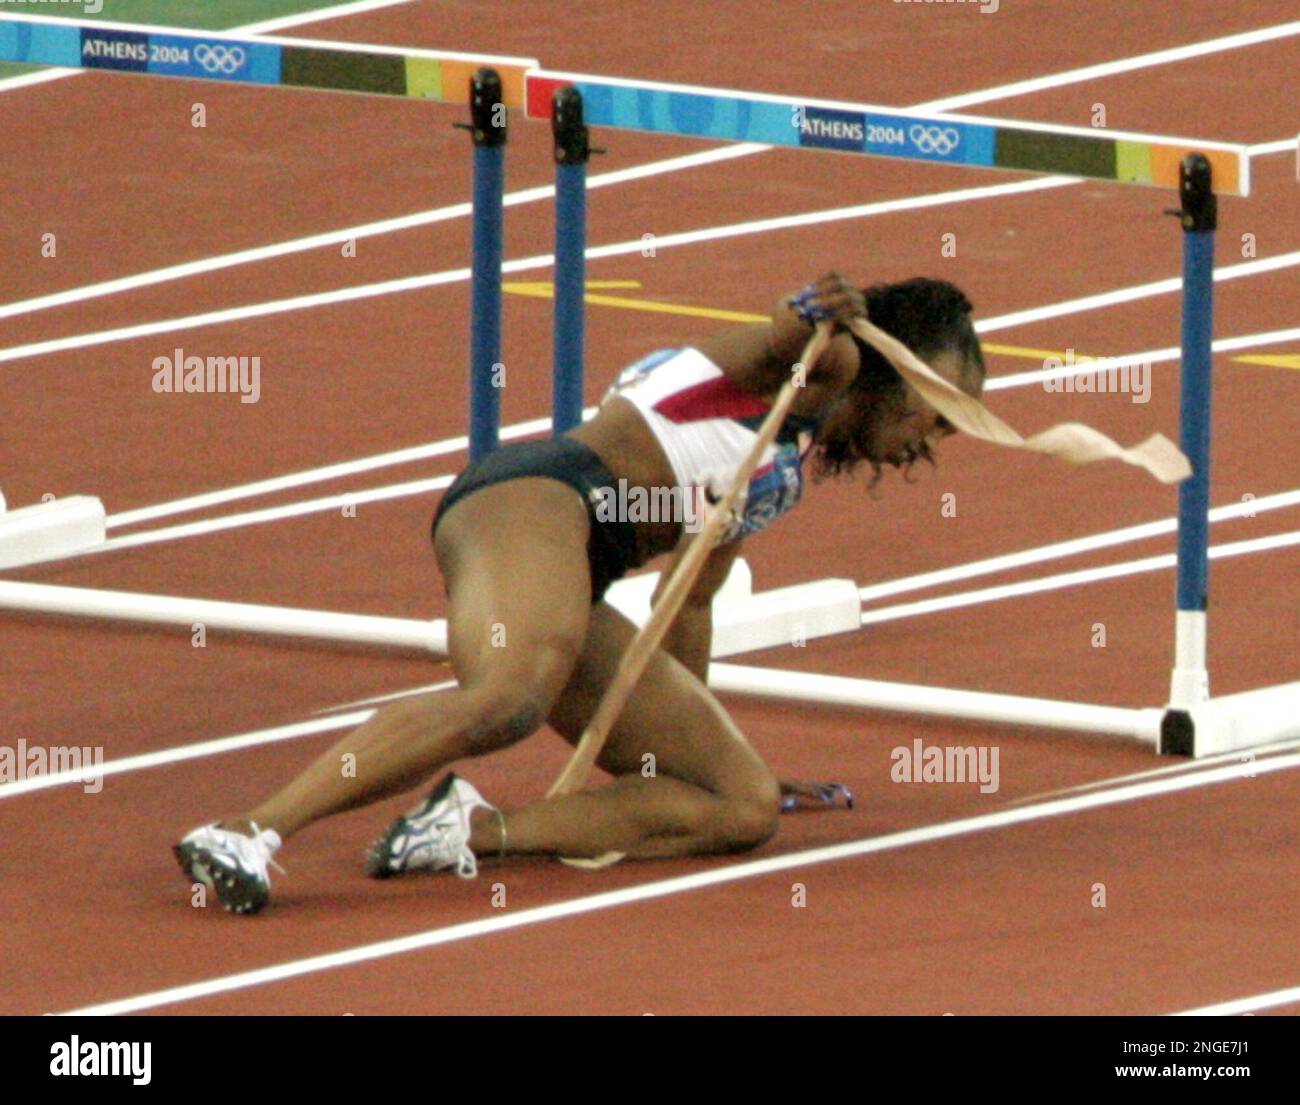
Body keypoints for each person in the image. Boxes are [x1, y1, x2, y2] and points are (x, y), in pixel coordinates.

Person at [175, 273, 986, 914]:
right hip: (534, 502)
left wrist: (693, 747)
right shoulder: (820, 368)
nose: (934, 442)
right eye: (939, 411)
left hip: (576, 566)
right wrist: (811, 309)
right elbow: (787, 335)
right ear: (890, 364)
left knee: (740, 804)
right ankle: (246, 830)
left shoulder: (779, 461)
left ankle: (465, 827)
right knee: (507, 700)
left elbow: (688, 603)